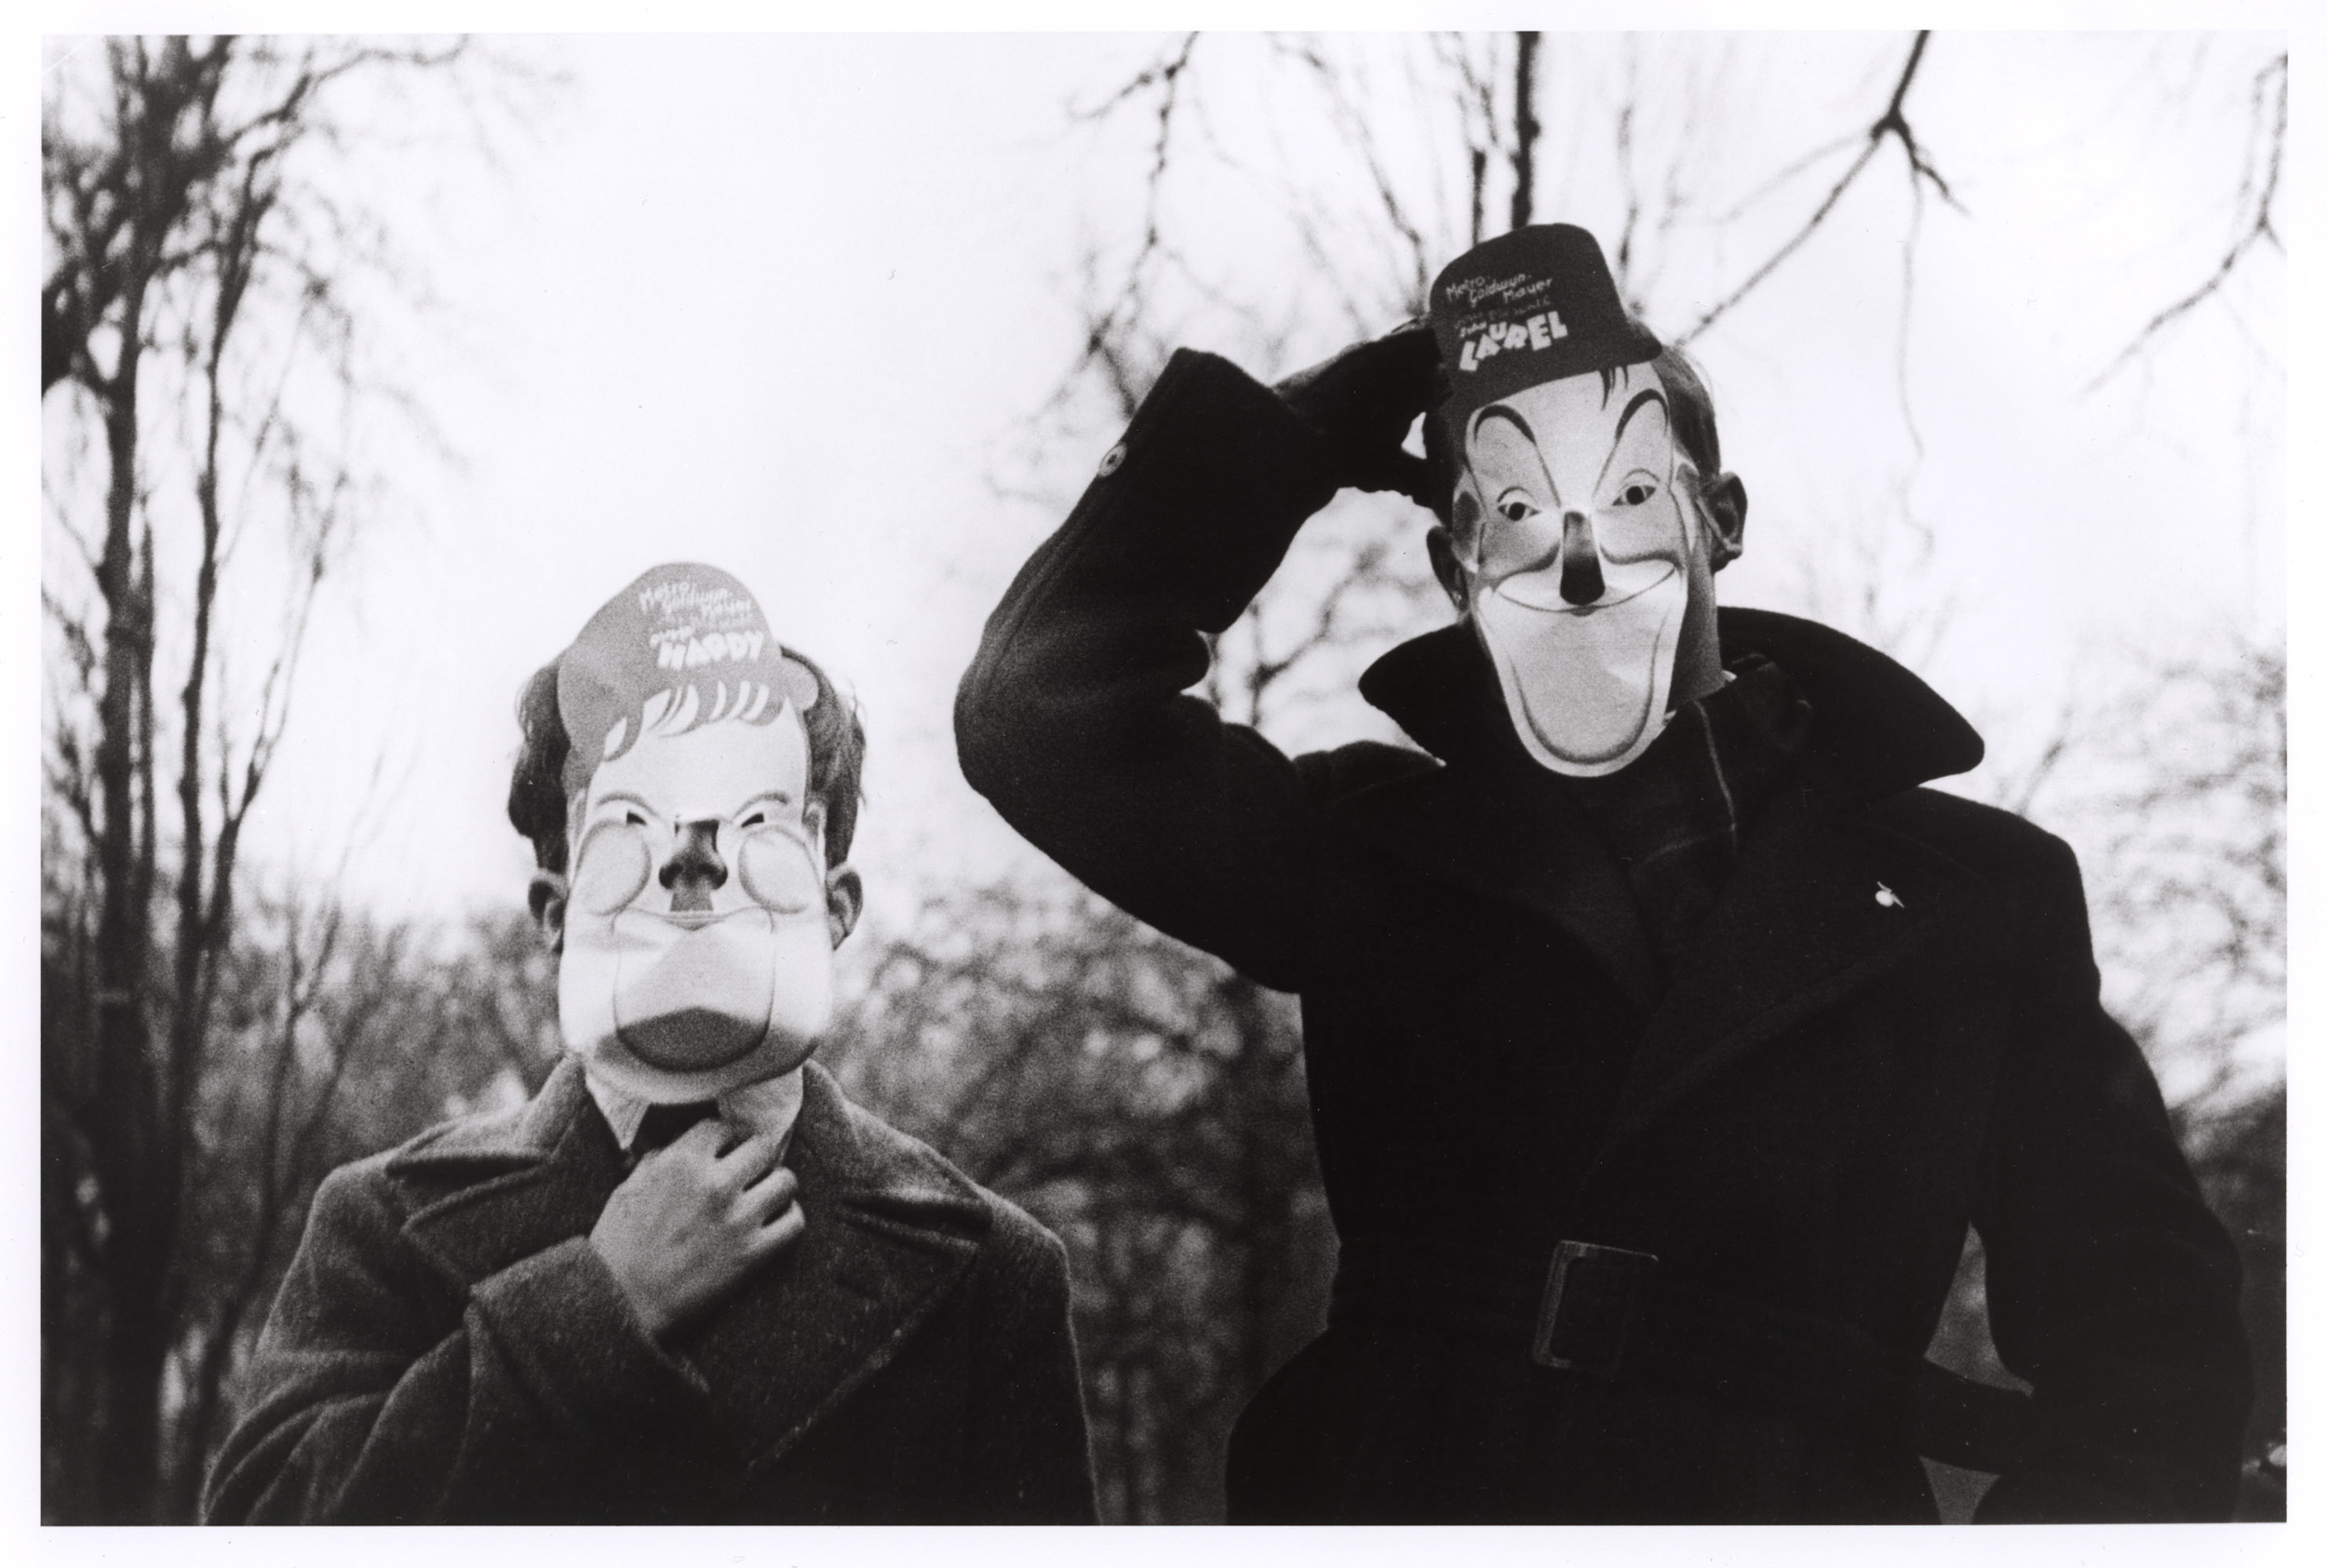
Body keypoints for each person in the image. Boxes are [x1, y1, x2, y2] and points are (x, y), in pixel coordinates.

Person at [954, 224, 2252, 1522]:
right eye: (1512, 513)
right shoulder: (1371, 848)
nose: (1576, 561)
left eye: (1631, 493)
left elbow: (2151, 1350)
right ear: (1456, 568)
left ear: (1721, 521)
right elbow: (1038, 717)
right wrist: (1286, 445)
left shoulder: (1972, 896)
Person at [206, 563, 1097, 1524]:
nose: (694, 855)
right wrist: (592, 1305)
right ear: (553, 908)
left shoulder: (989, 1271)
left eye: (753, 816)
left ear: (836, 905)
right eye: (635, 817)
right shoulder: (381, 1229)